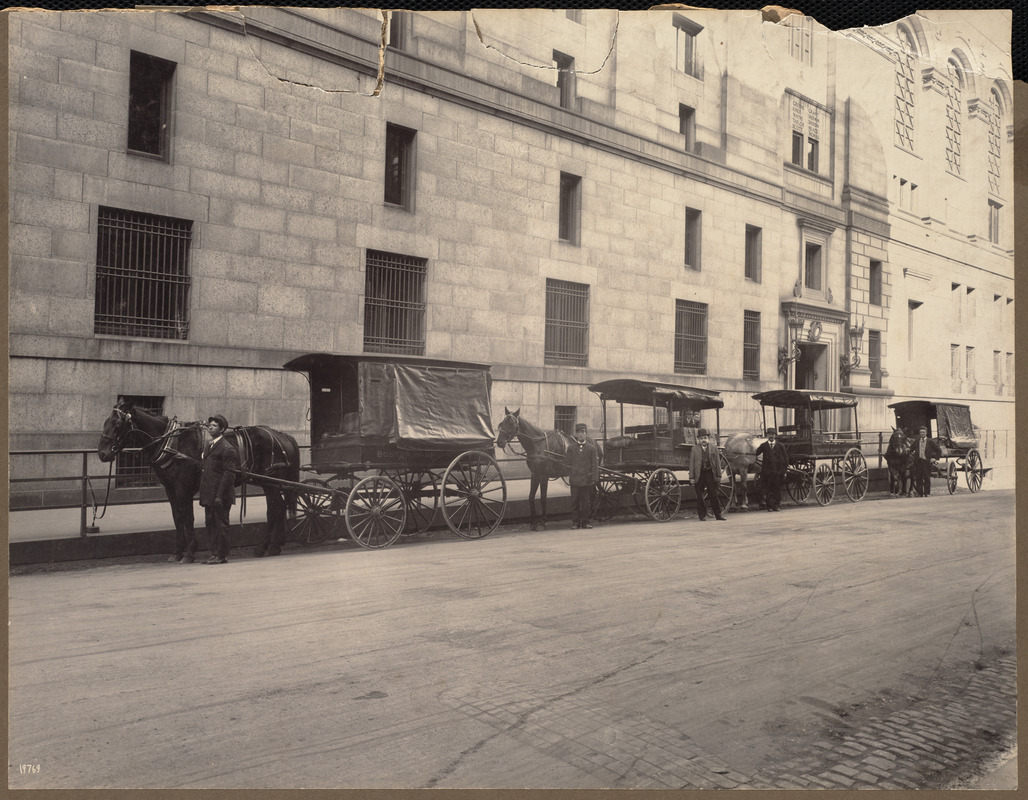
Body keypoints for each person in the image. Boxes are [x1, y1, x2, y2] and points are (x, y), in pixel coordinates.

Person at [198, 414, 240, 564]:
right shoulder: (210, 445)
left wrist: (219, 496)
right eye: (210, 425)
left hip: (220, 496)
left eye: (214, 425)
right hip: (209, 494)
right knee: (210, 523)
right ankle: (214, 553)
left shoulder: (227, 448)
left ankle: (222, 556)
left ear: (222, 429)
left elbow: (229, 475)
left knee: (221, 525)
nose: (210, 427)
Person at [689, 428, 726, 521]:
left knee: (713, 494)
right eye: (701, 438)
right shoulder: (694, 449)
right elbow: (692, 464)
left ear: (708, 438)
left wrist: (718, 476)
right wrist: (692, 477)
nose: (703, 440)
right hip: (699, 474)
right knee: (699, 495)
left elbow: (717, 463)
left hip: (710, 473)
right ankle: (702, 515)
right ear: (698, 440)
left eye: (705, 438)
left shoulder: (713, 448)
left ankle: (718, 515)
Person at [567, 423, 599, 529]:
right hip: (575, 480)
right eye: (579, 432)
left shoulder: (591, 448)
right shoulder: (571, 448)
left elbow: (595, 465)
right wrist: (571, 476)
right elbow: (568, 463)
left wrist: (594, 478)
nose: (581, 435)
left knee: (586, 502)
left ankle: (586, 522)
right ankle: (575, 523)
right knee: (574, 502)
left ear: (586, 434)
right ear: (576, 434)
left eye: (583, 432)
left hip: (586, 480)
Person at [754, 427, 789, 512]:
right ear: (767, 435)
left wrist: (784, 471)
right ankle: (769, 506)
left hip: (777, 472)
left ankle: (776, 505)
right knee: (768, 489)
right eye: (769, 434)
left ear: (775, 435)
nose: (771, 436)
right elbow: (755, 453)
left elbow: (785, 459)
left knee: (777, 489)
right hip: (767, 472)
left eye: (773, 434)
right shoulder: (764, 445)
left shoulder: (780, 446)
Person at [911, 425, 942, 497]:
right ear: (919, 433)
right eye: (921, 432)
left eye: (923, 432)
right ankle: (920, 493)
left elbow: (938, 450)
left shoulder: (930, 441)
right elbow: (911, 448)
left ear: (926, 433)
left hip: (927, 462)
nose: (922, 433)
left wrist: (935, 459)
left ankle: (927, 493)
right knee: (918, 478)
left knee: (927, 477)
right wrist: (907, 450)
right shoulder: (917, 441)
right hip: (918, 462)